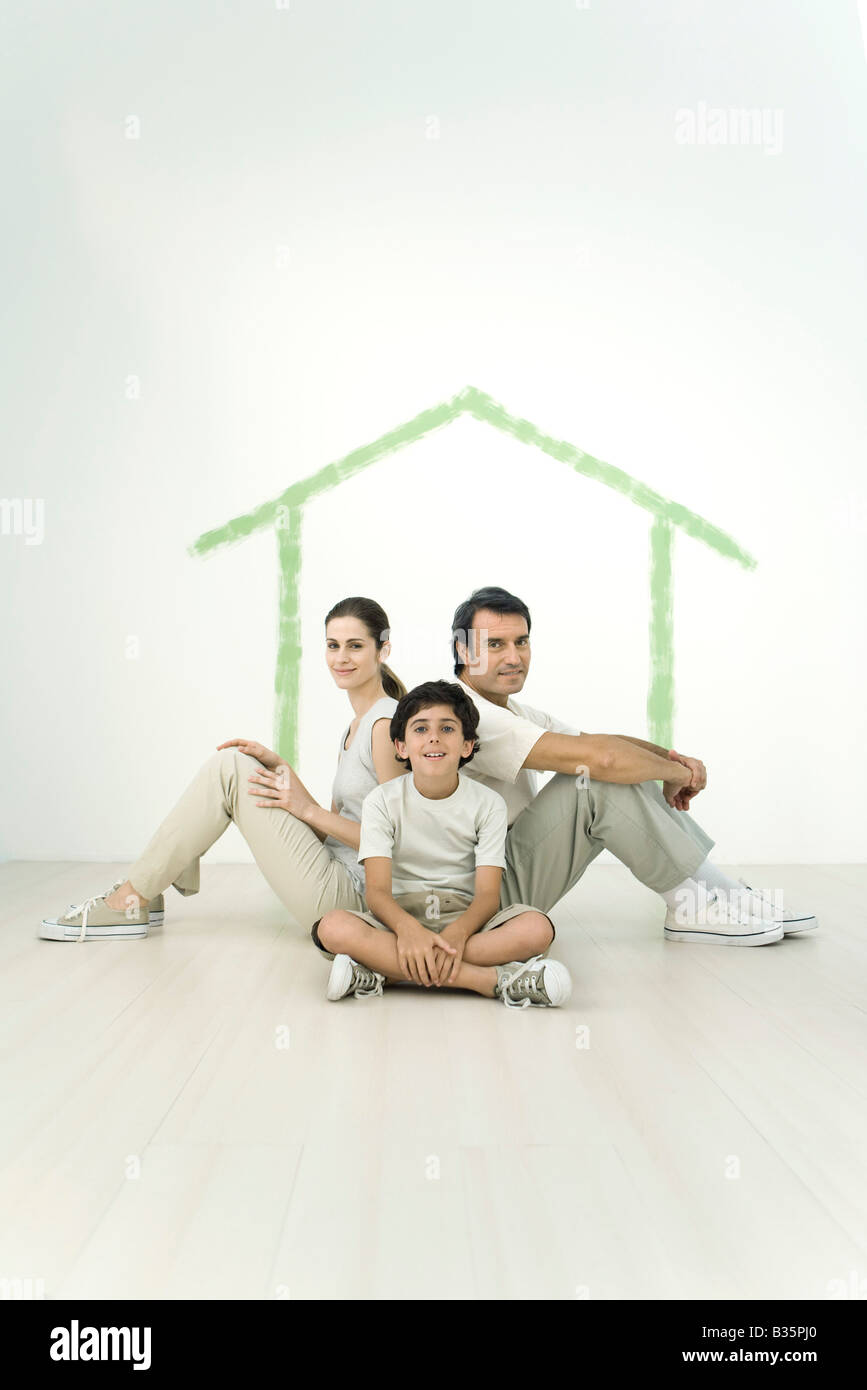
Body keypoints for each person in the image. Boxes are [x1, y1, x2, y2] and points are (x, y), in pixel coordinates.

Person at [447, 586, 818, 946]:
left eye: (521, 642)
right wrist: (676, 774)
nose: (514, 657)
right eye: (495, 644)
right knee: (597, 777)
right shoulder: (466, 712)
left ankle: (721, 892)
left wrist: (672, 758)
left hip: (505, 872)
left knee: (620, 766)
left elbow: (601, 743)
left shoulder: (511, 710)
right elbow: (603, 759)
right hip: (479, 899)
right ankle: (688, 907)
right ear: (464, 649)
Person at [39, 597, 408, 942]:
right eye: (332, 645)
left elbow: (400, 839)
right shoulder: (357, 725)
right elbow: (336, 830)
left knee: (229, 768)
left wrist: (304, 809)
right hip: (337, 870)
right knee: (240, 764)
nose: (340, 657)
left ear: (383, 650)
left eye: (355, 646)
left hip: (355, 899)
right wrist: (286, 774)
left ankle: (133, 898)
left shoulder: (384, 725)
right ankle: (143, 891)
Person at [313, 680, 573, 1008]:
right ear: (401, 746)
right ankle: (492, 981)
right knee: (332, 928)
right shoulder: (381, 801)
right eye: (420, 729)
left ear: (467, 745)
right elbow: (377, 893)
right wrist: (408, 931)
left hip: (466, 918)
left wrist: (459, 933)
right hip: (398, 918)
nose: (434, 737)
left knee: (537, 929)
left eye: (447, 728)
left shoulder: (489, 804)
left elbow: (489, 896)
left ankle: (383, 973)